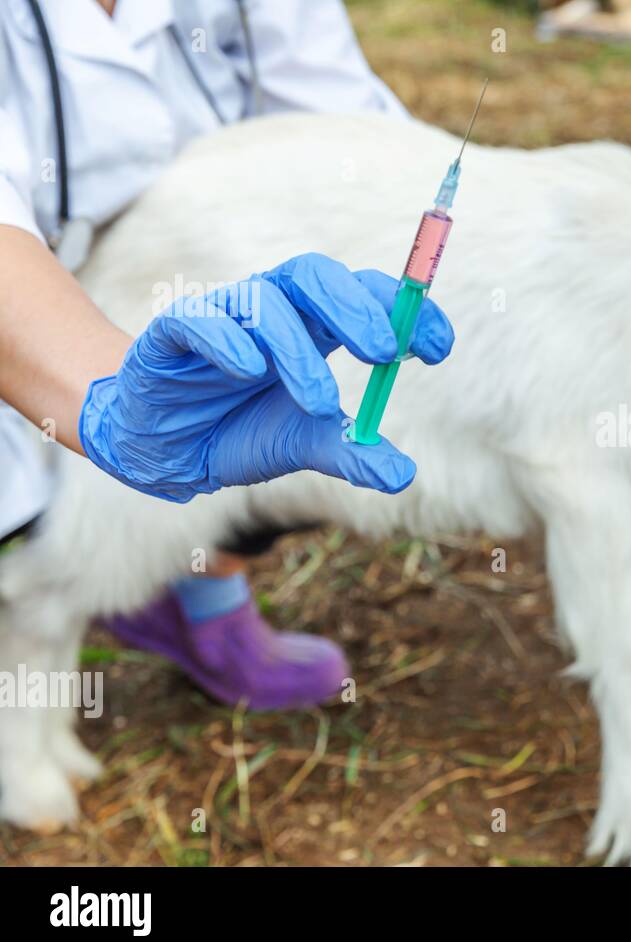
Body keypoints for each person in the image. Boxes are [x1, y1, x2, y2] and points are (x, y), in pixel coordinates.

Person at [0, 0, 453, 709]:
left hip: (183, 287)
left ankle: (191, 592)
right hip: (30, 320)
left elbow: (347, 127)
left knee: (287, 392)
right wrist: (109, 396)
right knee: (46, 527)